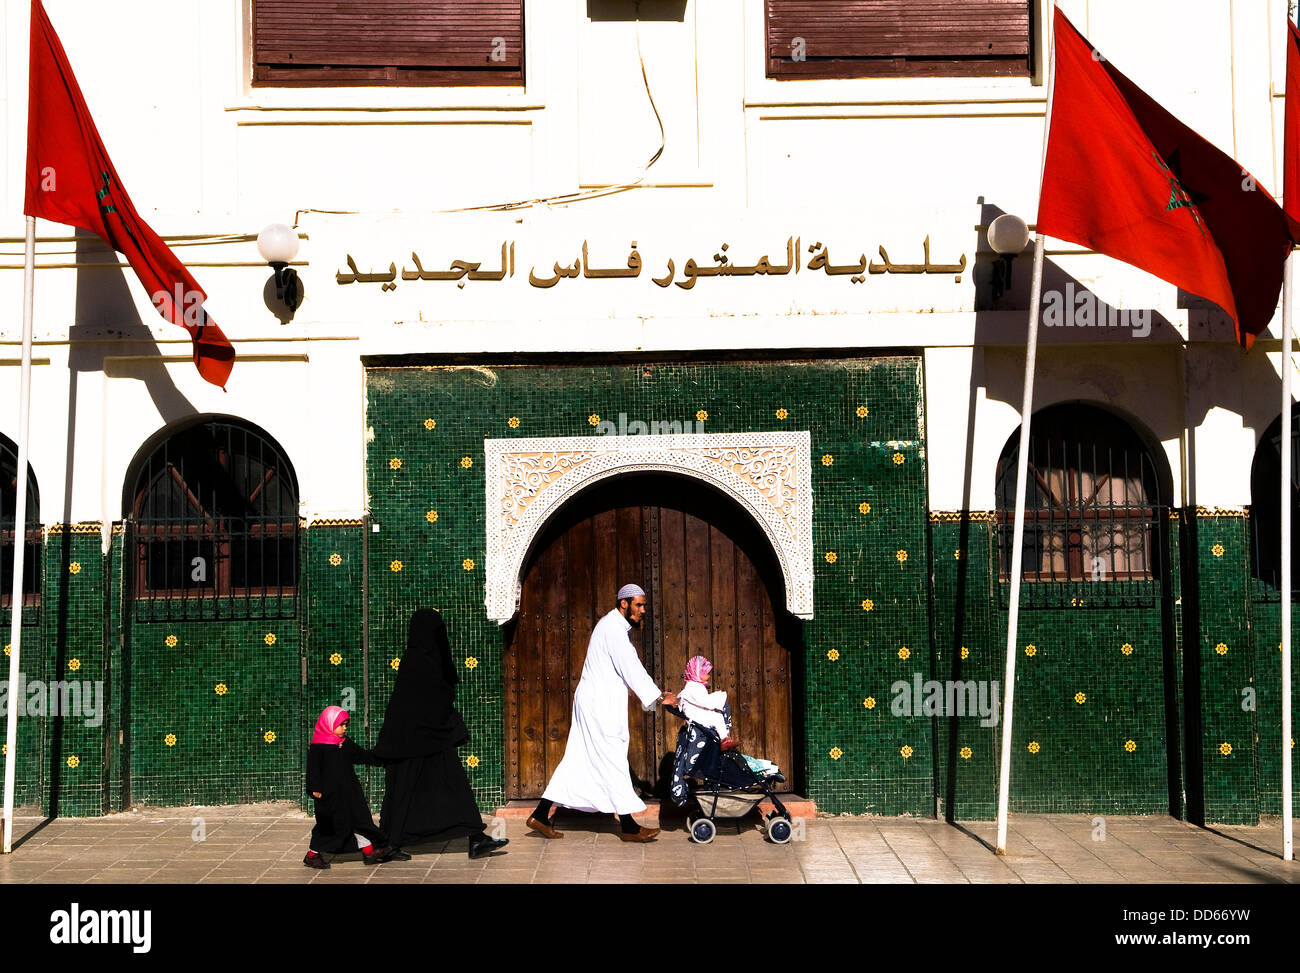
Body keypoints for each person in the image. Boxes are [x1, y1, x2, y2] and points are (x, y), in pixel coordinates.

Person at [527, 583, 679, 842]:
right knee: (613, 758)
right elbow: (631, 667)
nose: (643, 610)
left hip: (598, 703)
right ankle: (630, 828)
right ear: (624, 603)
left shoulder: (617, 627)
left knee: (578, 759)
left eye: (644, 605)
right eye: (639, 605)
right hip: (599, 706)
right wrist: (659, 696)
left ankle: (540, 816)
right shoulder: (613, 629)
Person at [374, 608, 508, 860]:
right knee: (408, 791)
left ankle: (476, 838)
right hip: (415, 741)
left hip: (422, 740)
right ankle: (390, 844)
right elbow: (432, 704)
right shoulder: (420, 662)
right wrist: (452, 728)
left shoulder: (417, 659)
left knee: (445, 788)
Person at [303, 704, 394, 868]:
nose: (344, 728)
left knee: (360, 820)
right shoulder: (318, 746)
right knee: (331, 827)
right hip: (329, 797)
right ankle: (312, 855)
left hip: (350, 792)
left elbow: (361, 755)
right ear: (328, 724)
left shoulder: (345, 743)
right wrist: (314, 788)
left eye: (346, 725)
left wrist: (383, 758)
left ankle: (369, 851)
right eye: (340, 725)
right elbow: (313, 769)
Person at [677, 654, 780, 779]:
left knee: (717, 716)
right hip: (695, 716)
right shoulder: (692, 687)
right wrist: (719, 697)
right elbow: (703, 701)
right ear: (697, 672)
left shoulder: (696, 686)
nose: (709, 675)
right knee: (716, 717)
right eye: (706, 672)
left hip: (697, 714)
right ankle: (724, 739)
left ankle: (725, 738)